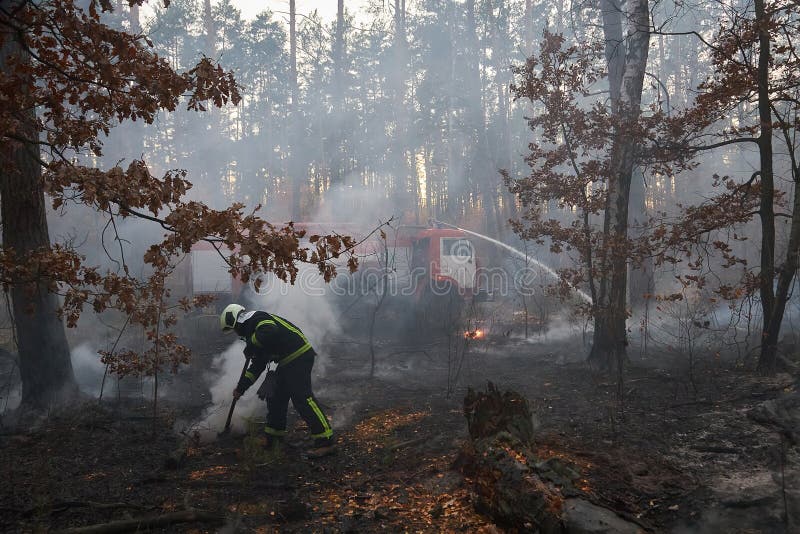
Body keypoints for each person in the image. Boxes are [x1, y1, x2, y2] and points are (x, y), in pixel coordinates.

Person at [220, 303, 335, 458]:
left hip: (299, 355)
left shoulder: (256, 318)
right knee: (275, 397)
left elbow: (270, 330)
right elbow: (257, 366)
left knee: (302, 399)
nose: (236, 333)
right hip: (286, 361)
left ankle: (326, 441)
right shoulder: (254, 333)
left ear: (237, 321)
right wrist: (241, 387)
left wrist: (251, 344)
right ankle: (274, 439)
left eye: (234, 329)